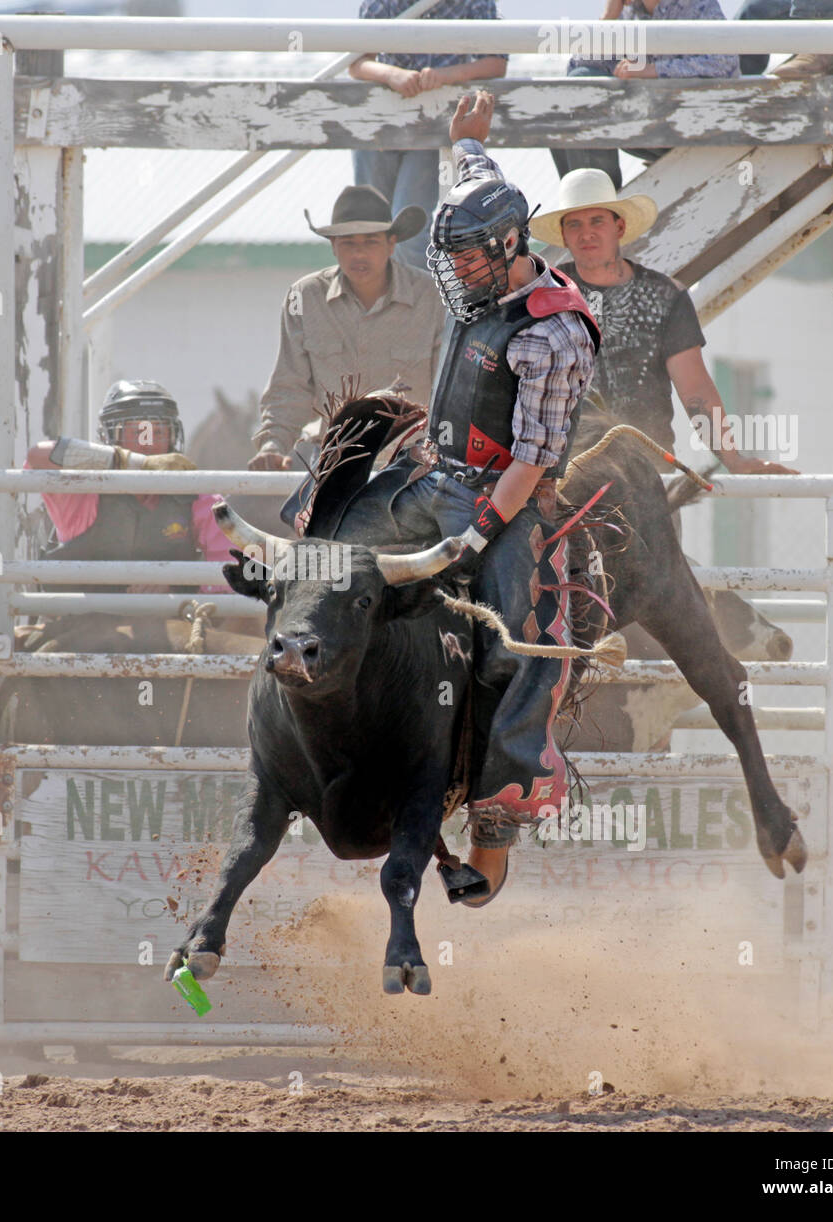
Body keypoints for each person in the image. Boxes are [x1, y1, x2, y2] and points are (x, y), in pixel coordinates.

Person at [341, 91, 600, 906]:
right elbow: (479, 173)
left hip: (504, 496)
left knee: (512, 643)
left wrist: (482, 532)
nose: (452, 269)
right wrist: (469, 140)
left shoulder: (553, 333)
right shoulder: (487, 248)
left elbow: (534, 457)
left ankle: (505, 796)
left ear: (512, 246)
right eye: (449, 254)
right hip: (437, 467)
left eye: (466, 258)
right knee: (333, 535)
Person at [529, 168, 800, 478]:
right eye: (574, 223)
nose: (585, 233)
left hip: (649, 479)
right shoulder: (545, 296)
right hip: (568, 481)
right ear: (564, 234)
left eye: (597, 221)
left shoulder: (663, 295)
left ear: (619, 226)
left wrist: (733, 459)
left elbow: (694, 385)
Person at [249, 185, 446, 472]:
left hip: (410, 463)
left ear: (392, 244)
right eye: (348, 243)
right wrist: (273, 445)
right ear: (333, 246)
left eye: (370, 242)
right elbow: (289, 386)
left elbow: (447, 393)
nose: (359, 254)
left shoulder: (431, 297)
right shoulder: (304, 298)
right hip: (332, 462)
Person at [24, 380, 233, 613]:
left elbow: (233, 572)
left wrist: (176, 587)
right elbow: (38, 455)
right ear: (111, 437)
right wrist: (130, 462)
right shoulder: (85, 493)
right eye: (138, 432)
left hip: (165, 628)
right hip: (81, 630)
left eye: (159, 431)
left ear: (173, 437)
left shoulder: (197, 497)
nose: (149, 443)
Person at [348, 0, 509, 269]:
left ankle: (417, 305)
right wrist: (391, 75)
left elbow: (496, 63)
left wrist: (446, 75)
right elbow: (356, 63)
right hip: (381, 127)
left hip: (428, 131)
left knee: (408, 232)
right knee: (370, 227)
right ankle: (383, 304)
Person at [553, 0, 739, 190]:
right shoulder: (628, 14)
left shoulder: (695, 5)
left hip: (698, 127)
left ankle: (597, 204)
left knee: (580, 93)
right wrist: (609, 18)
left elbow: (724, 62)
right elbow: (577, 70)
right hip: (652, 128)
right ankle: (591, 201)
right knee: (568, 97)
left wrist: (652, 70)